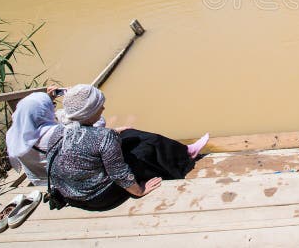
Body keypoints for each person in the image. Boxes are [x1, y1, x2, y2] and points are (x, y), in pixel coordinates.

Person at [47, 84, 209, 211]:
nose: (103, 108)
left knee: (128, 134)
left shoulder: (58, 132)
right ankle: (184, 157)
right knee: (144, 152)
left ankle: (184, 151)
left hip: (70, 194)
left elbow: (85, 143)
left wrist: (114, 131)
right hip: (97, 197)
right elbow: (119, 174)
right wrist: (140, 191)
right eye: (100, 106)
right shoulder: (104, 137)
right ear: (88, 113)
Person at [5, 86, 62, 186]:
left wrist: (48, 98)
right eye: (51, 106)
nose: (53, 108)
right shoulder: (55, 134)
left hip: (39, 181)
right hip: (63, 183)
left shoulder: (13, 136)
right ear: (44, 110)